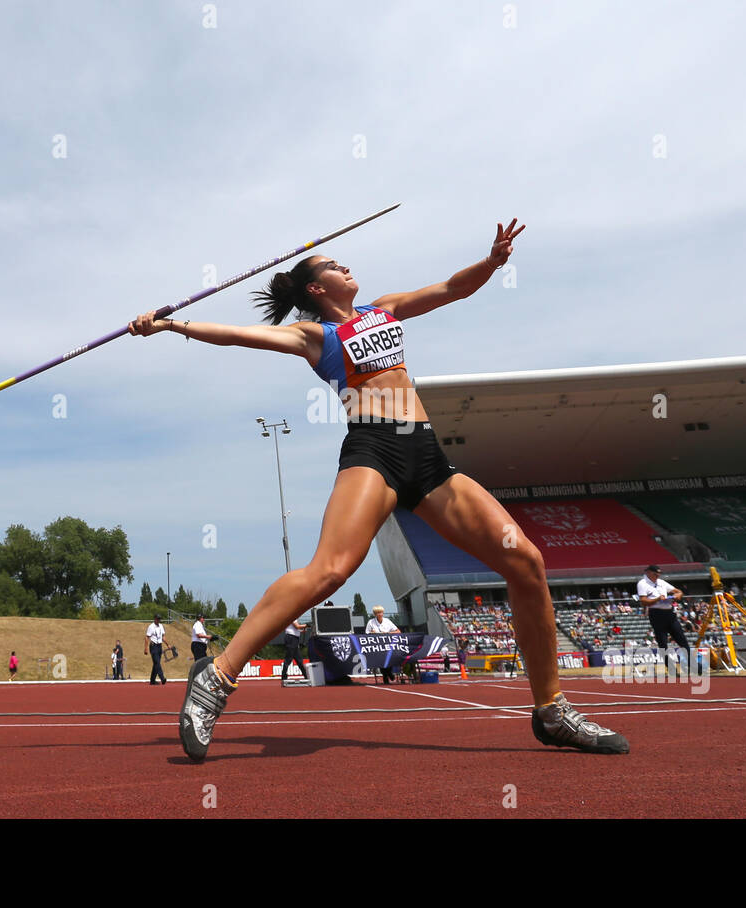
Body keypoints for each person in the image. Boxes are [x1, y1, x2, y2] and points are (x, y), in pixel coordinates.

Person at [130, 219, 628, 762]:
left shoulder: (384, 309)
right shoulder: (314, 335)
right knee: (330, 571)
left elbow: (451, 289)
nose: (346, 267)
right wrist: (171, 325)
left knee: (525, 561)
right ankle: (217, 677)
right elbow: (236, 335)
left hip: (429, 457)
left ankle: (551, 710)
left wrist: (492, 262)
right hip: (374, 450)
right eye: (333, 266)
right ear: (317, 289)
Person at [637, 565, 691, 673]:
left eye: (659, 574)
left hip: (669, 613)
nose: (657, 576)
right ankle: (670, 667)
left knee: (681, 639)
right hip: (656, 614)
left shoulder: (661, 582)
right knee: (663, 642)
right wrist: (657, 599)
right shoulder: (642, 583)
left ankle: (691, 663)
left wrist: (678, 595)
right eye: (655, 574)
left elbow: (678, 591)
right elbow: (643, 601)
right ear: (648, 572)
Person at [365, 605, 401, 683]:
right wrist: (372, 633)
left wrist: (388, 633)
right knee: (381, 659)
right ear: (375, 614)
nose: (380, 614)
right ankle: (386, 675)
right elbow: (366, 634)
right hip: (377, 646)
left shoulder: (387, 621)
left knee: (389, 658)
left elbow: (398, 631)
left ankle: (388, 673)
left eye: (381, 612)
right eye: (378, 612)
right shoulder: (370, 622)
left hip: (388, 644)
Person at [281, 616, 307, 686]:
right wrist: (306, 625)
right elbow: (297, 626)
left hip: (294, 639)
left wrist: (302, 631)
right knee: (288, 658)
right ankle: (283, 677)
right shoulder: (292, 616)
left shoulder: (294, 617)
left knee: (299, 660)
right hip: (291, 639)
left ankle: (306, 676)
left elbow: (296, 629)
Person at [147, 616, 168, 684]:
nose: (159, 620)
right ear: (155, 619)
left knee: (156, 663)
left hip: (159, 646)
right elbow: (147, 637)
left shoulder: (161, 626)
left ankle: (152, 680)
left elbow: (163, 636)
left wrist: (167, 644)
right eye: (157, 619)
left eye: (159, 619)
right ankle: (162, 678)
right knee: (157, 662)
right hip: (153, 646)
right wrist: (145, 648)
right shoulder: (151, 627)